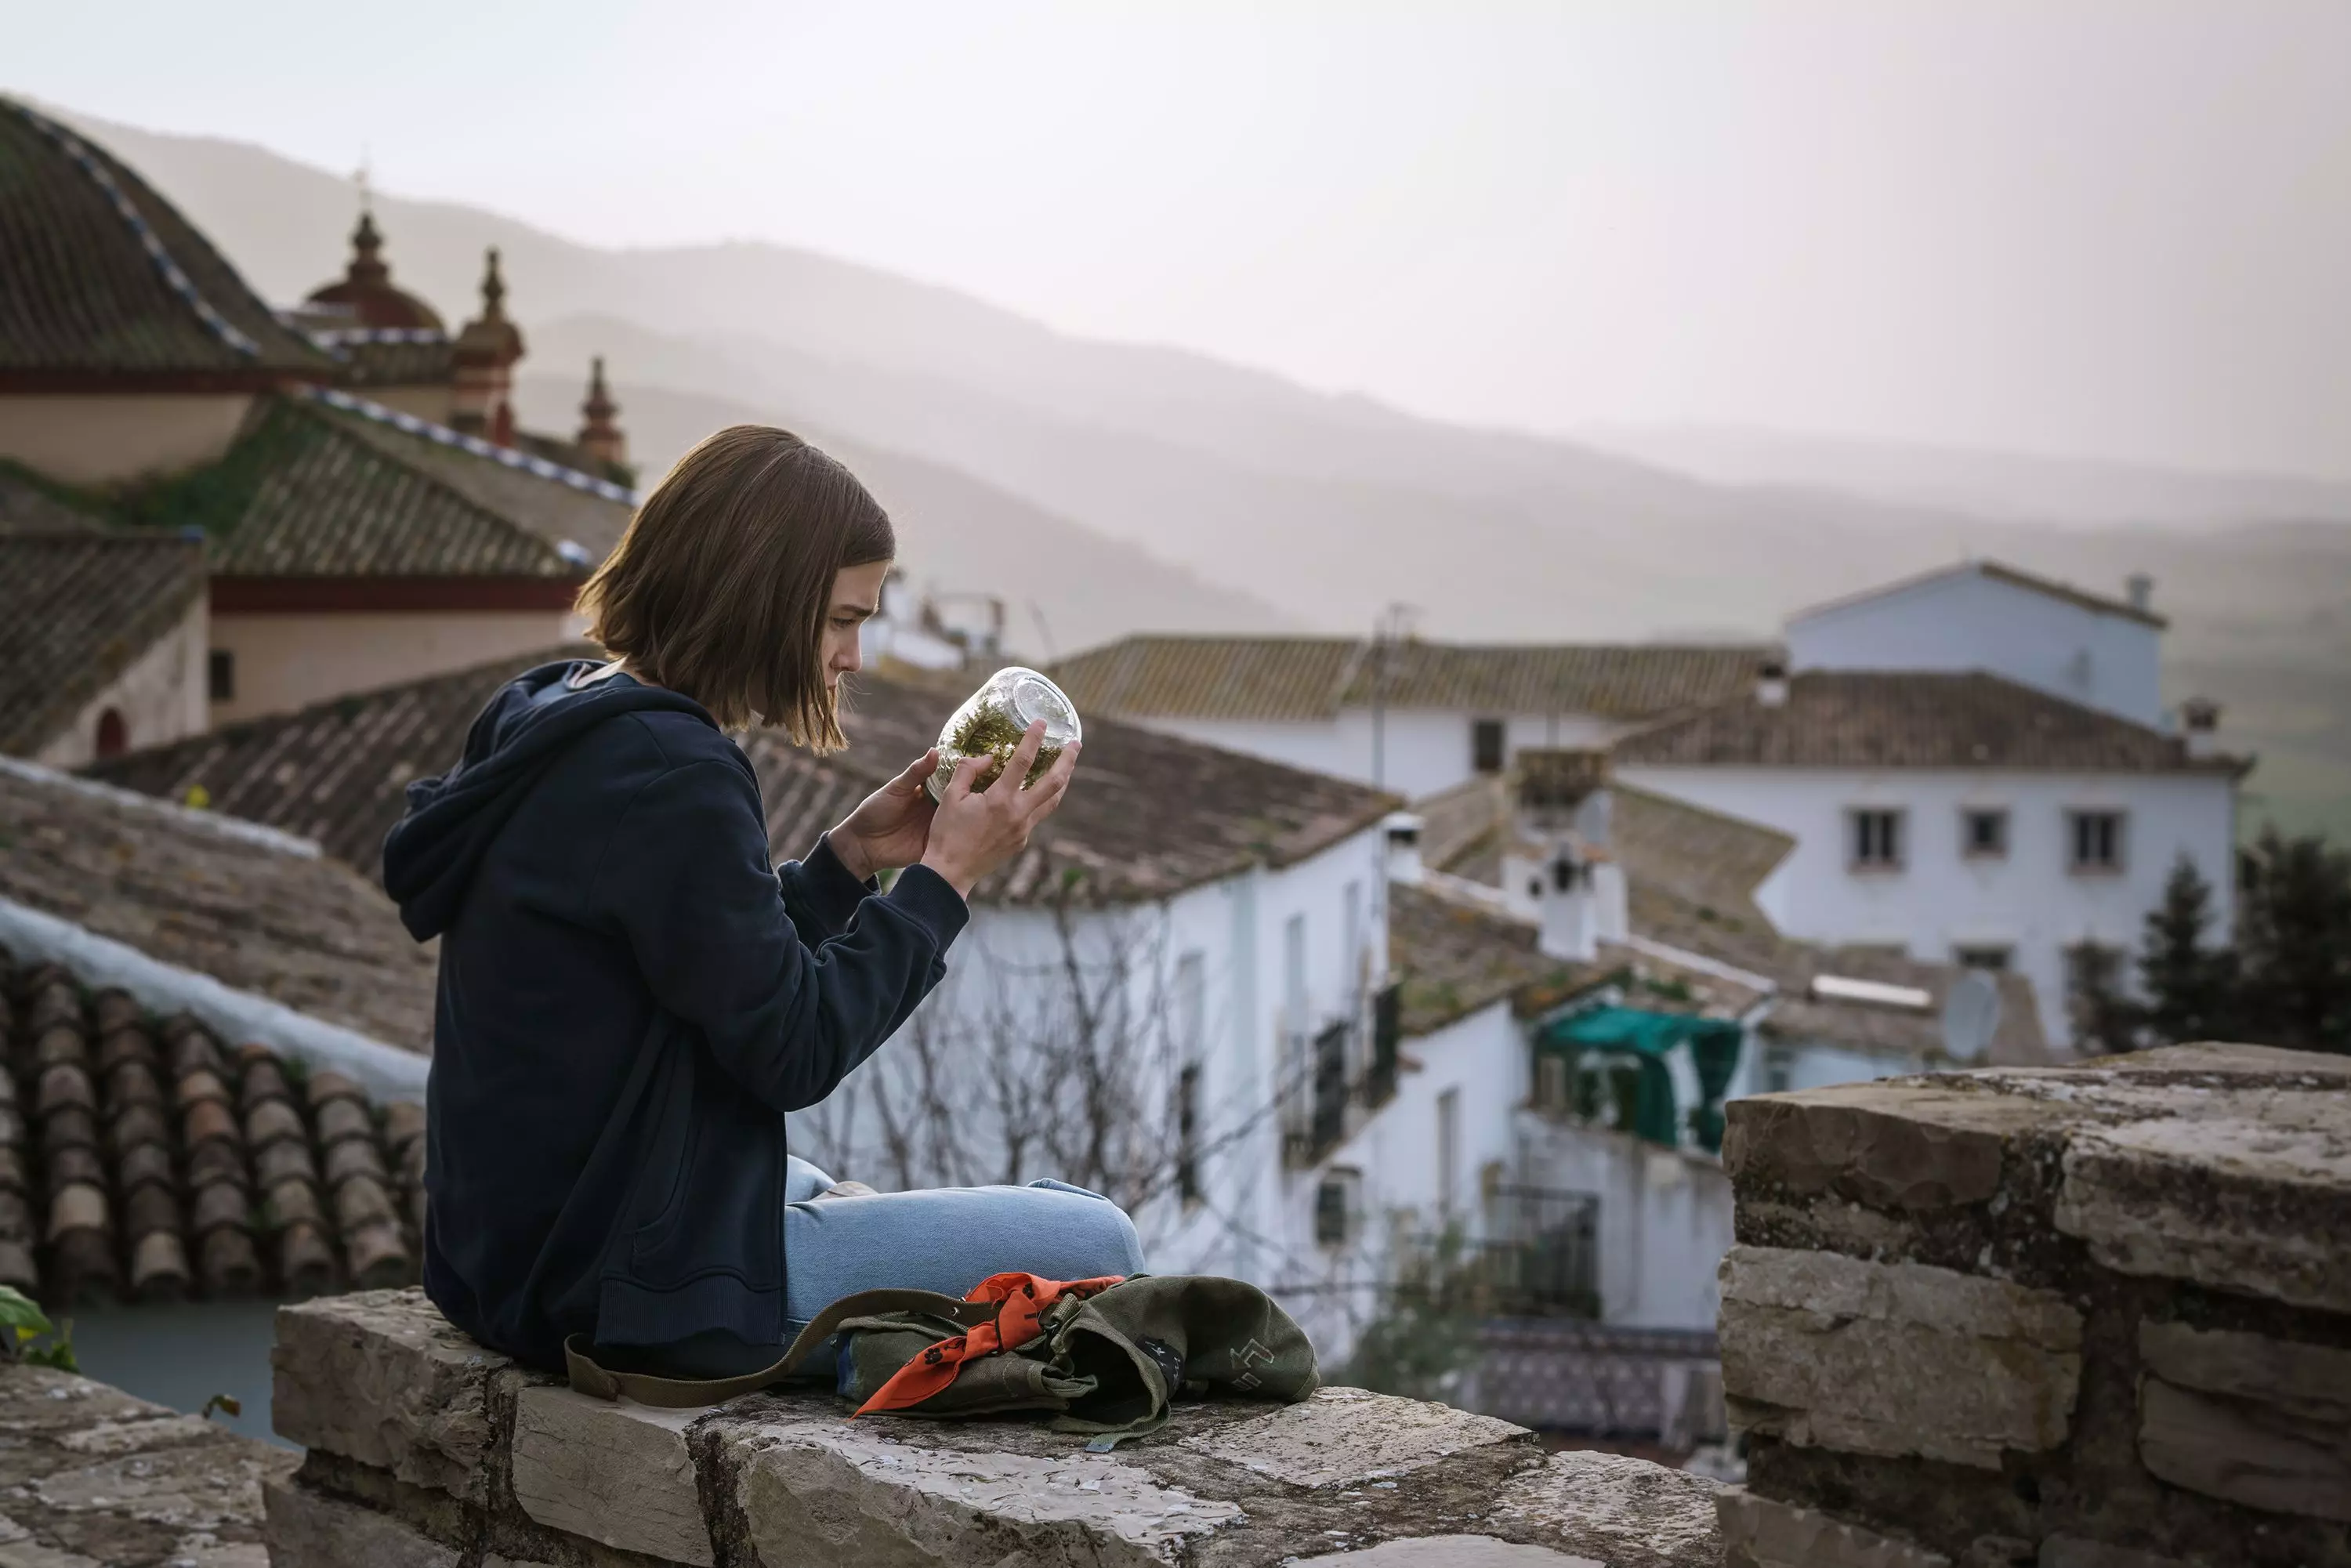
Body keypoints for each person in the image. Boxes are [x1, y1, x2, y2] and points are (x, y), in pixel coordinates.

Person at [382, 424, 1143, 1378]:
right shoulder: (677, 773)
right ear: (757, 598)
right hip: (626, 1289)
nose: (855, 656)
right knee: (1098, 1242)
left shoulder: (557, 712)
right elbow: (793, 1049)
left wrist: (850, 860)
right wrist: (945, 882)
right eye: (840, 619)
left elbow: (707, 967)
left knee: (830, 1190)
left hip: (509, 1256)